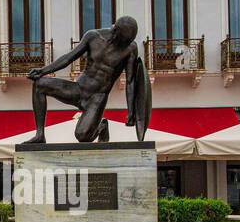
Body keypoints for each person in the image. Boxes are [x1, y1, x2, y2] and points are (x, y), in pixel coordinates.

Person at [25, 15, 151, 143]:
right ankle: (40, 134)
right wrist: (42, 71)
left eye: (129, 41)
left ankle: (101, 126)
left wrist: (131, 112)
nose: (126, 44)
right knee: (39, 84)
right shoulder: (93, 36)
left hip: (97, 98)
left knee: (82, 136)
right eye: (124, 41)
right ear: (115, 32)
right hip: (78, 89)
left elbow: (130, 81)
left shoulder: (130, 49)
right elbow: (69, 58)